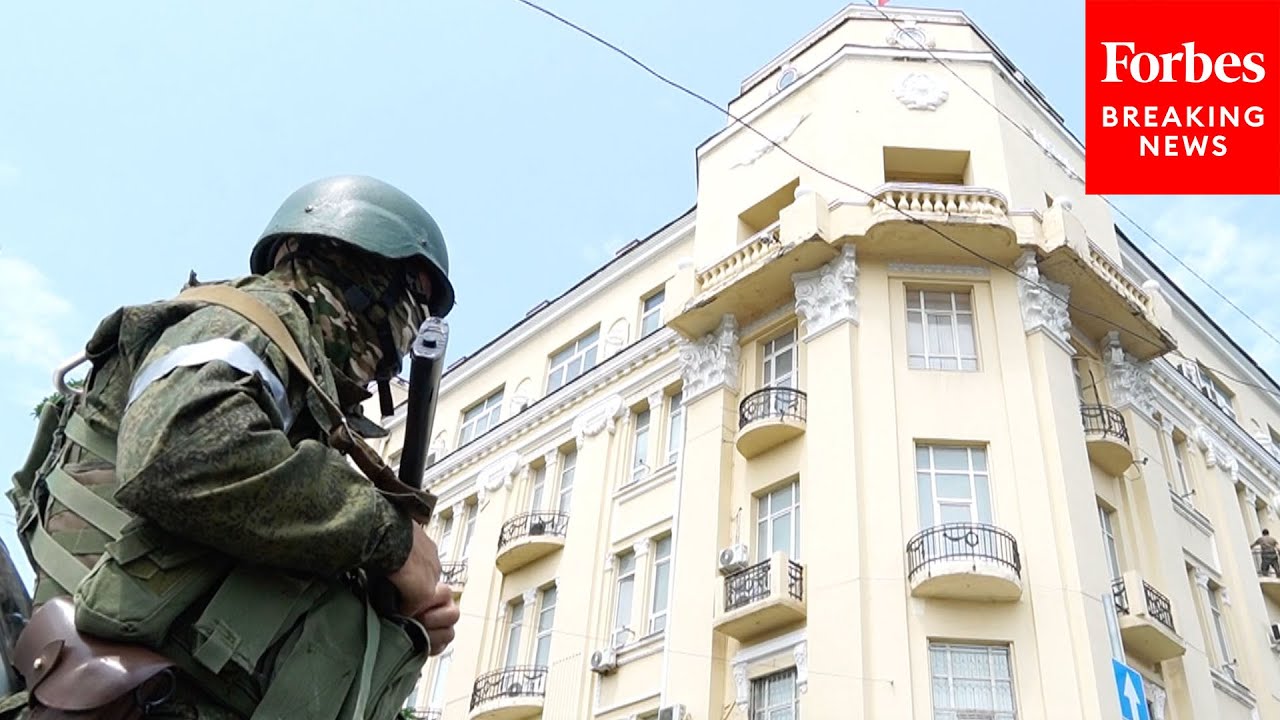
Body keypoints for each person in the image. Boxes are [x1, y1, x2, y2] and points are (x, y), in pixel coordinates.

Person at [4, 175, 461, 719]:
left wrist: (403, 618)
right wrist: (391, 539)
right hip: (122, 697)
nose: (406, 335)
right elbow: (182, 451)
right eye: (412, 295)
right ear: (350, 257)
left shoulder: (302, 405)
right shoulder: (255, 319)